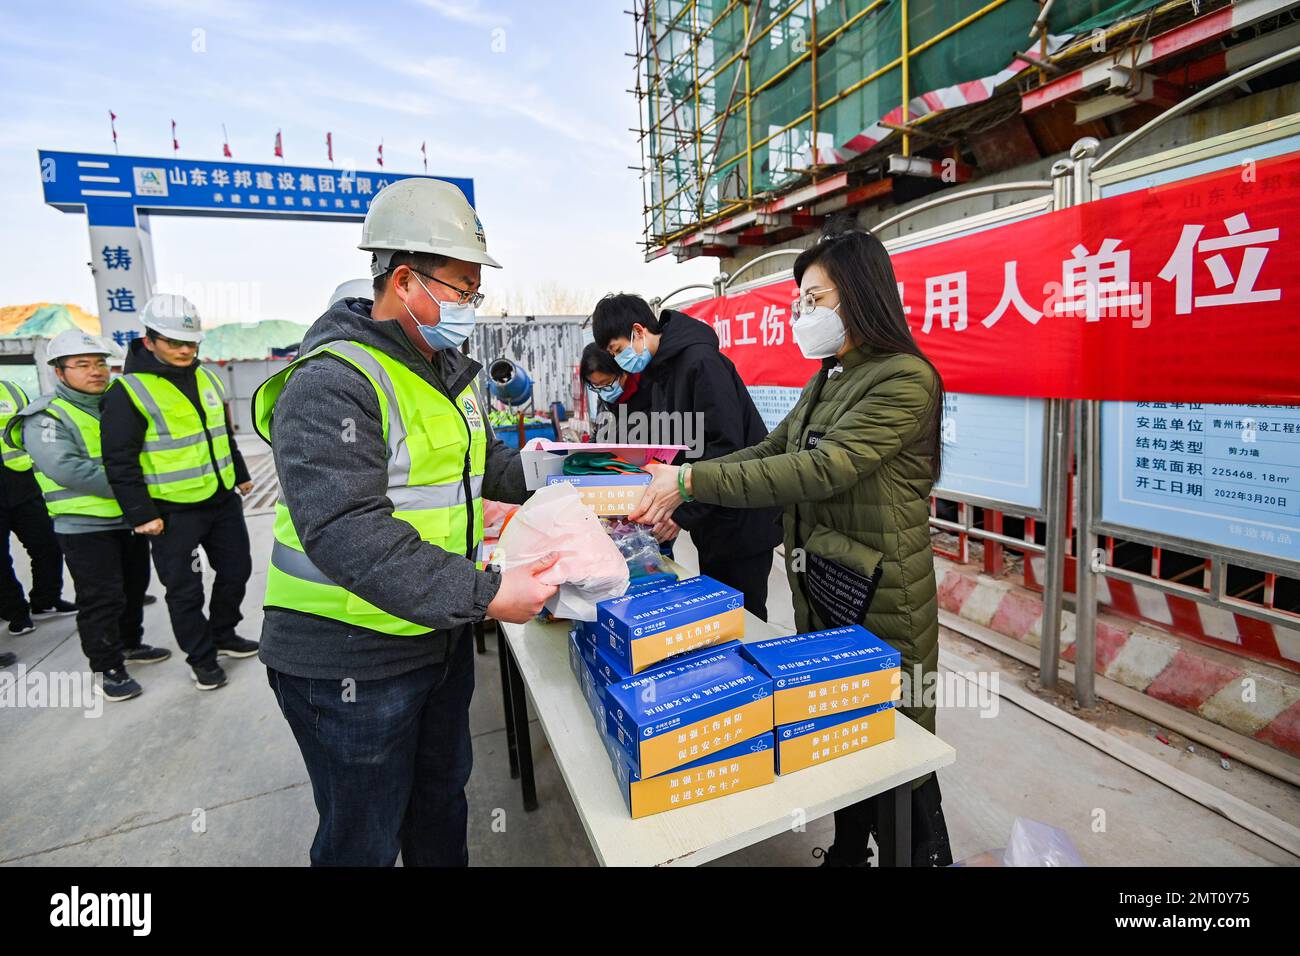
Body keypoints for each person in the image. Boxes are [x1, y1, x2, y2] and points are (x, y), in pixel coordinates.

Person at [255, 178, 557, 867]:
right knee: (361, 838)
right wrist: (485, 594)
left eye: (475, 293)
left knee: (439, 807)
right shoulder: (333, 380)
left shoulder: (440, 373)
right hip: (347, 658)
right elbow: (345, 528)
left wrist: (573, 475)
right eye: (461, 289)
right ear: (404, 280)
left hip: (432, 635)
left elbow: (483, 468)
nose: (470, 307)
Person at [630, 228, 953, 867]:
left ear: (859, 296)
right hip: (829, 581)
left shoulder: (905, 379)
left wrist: (690, 479)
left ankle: (921, 856)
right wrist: (681, 483)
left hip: (883, 590)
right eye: (800, 301)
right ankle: (848, 850)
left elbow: (820, 469)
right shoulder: (830, 379)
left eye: (815, 299)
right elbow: (769, 452)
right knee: (840, 725)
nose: (804, 315)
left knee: (898, 742)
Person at [101, 295, 258, 692]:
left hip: (222, 500)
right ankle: (202, 659)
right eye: (175, 343)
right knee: (186, 589)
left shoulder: (206, 377)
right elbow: (119, 460)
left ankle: (224, 632)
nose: (186, 350)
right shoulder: (128, 392)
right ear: (149, 340)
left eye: (191, 343)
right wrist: (140, 513)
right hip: (172, 513)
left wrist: (239, 473)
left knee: (237, 569)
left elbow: (221, 432)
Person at [592, 294, 781, 619]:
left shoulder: (700, 363)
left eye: (617, 349)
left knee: (744, 619)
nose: (619, 360)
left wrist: (681, 513)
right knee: (720, 614)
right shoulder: (663, 372)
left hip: (742, 517)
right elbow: (680, 449)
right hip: (712, 517)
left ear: (638, 331)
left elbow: (727, 451)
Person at [9, 331, 169, 702]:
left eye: (100, 363)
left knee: (133, 588)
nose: (96, 371)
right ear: (59, 372)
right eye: (82, 365)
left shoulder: (119, 405)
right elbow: (66, 469)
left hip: (128, 519)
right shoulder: (46, 415)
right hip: (83, 525)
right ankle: (107, 666)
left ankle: (131, 643)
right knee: (102, 597)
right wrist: (136, 491)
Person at [0, 379, 76, 639]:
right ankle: (14, 612)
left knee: (48, 544)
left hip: (21, 481)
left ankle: (46, 599)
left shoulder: (10, 388)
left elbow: (27, 428)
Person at [579, 342, 647, 415]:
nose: (603, 392)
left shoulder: (648, 393)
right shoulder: (604, 401)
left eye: (607, 383)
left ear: (622, 370)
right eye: (596, 385)